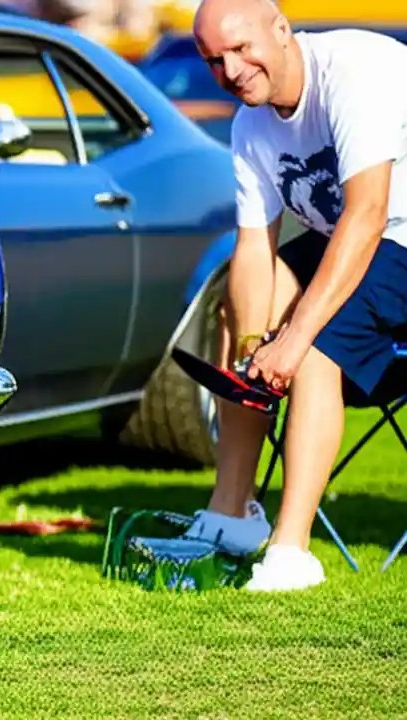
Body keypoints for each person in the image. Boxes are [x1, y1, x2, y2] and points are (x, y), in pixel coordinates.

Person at [182, 0, 407, 591]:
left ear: (281, 29)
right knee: (243, 309)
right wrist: (253, 344)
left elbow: (368, 214)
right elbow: (255, 249)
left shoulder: (353, 72)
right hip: (364, 239)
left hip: (397, 236)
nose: (231, 70)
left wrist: (292, 341)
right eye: (214, 61)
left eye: (241, 48)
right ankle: (232, 511)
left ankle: (290, 552)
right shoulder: (249, 127)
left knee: (312, 341)